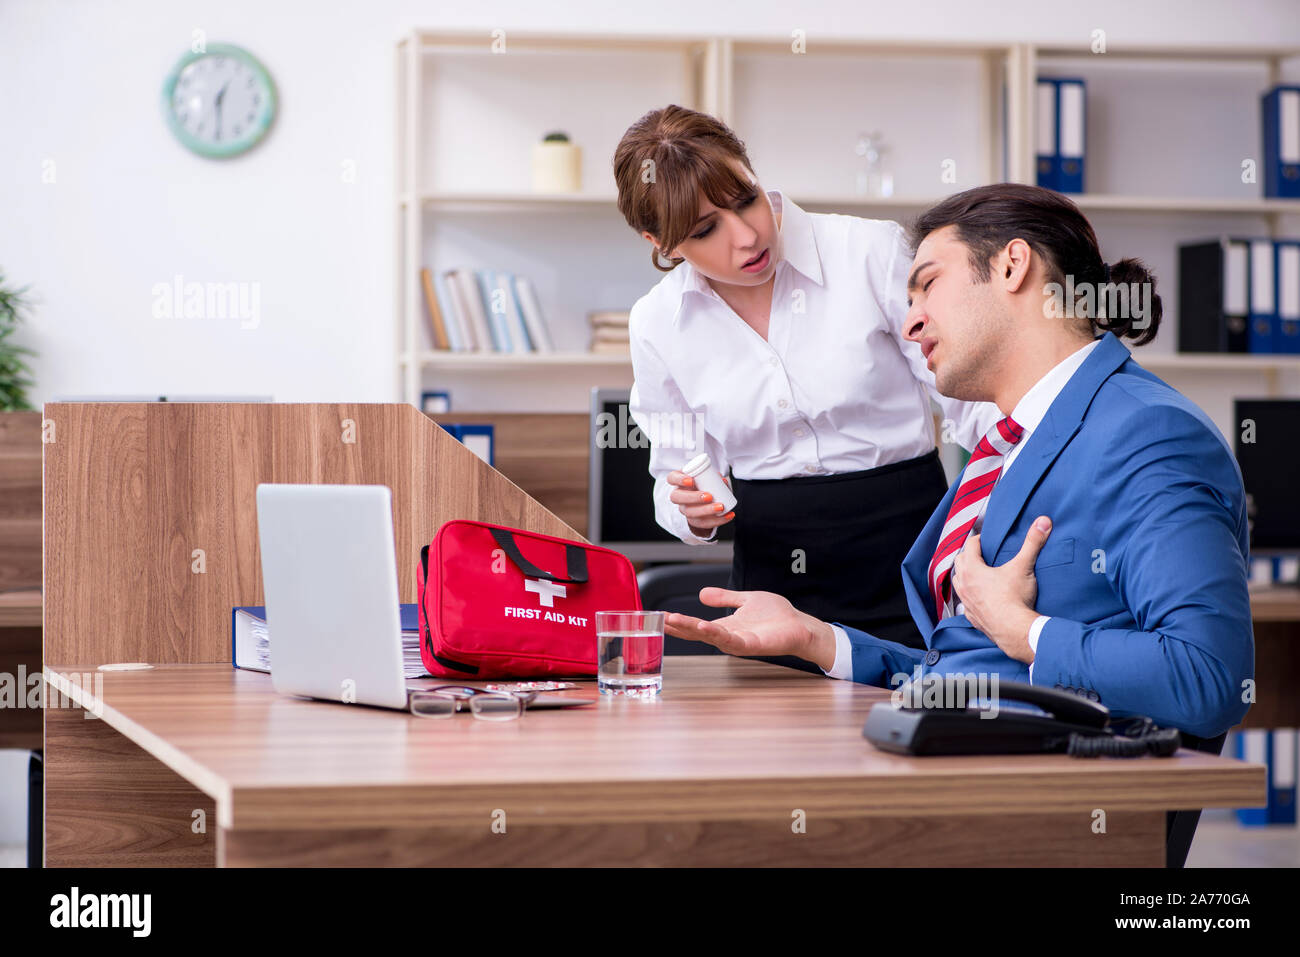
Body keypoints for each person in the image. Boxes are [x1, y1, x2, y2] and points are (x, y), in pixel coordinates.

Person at [662, 183, 1254, 740]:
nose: (909, 320)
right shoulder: (1005, 446)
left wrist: (1023, 630)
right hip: (965, 752)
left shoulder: (1147, 432)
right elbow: (966, 670)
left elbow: (1210, 679)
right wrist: (818, 640)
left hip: (1052, 800)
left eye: (928, 285)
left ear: (1011, 266)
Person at [613, 105, 999, 661]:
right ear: (663, 243)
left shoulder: (868, 252)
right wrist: (690, 514)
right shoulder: (657, 323)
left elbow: (968, 396)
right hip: (771, 588)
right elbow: (672, 472)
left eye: (745, 198)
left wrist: (1003, 505)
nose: (747, 236)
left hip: (910, 551)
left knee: (916, 723)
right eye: (705, 230)